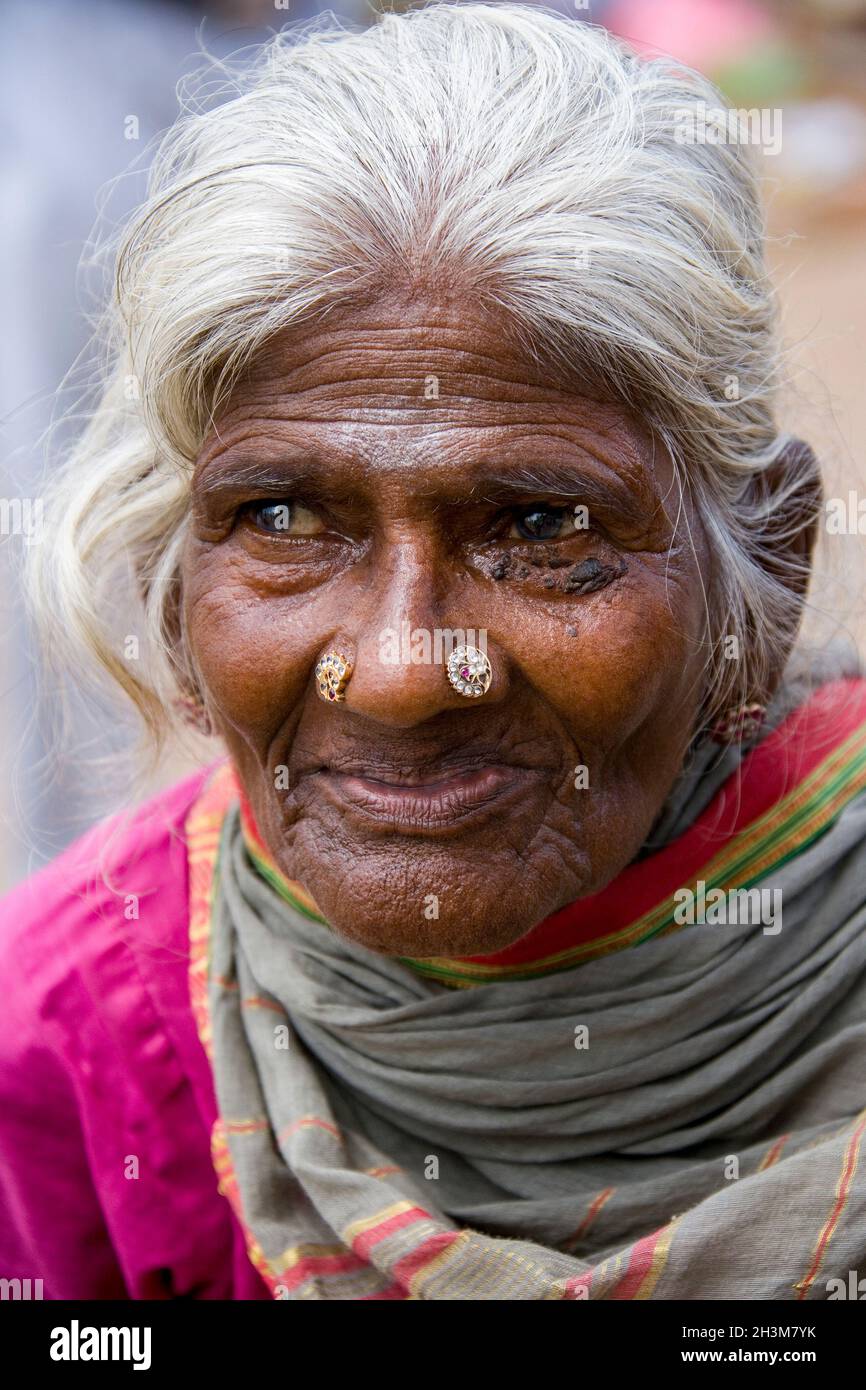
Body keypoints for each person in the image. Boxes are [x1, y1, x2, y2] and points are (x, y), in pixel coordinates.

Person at [2, 4, 865, 1301]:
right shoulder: (61, 1054)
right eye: (283, 519)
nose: (402, 673)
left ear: (767, 583)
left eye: (538, 524)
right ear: (171, 592)